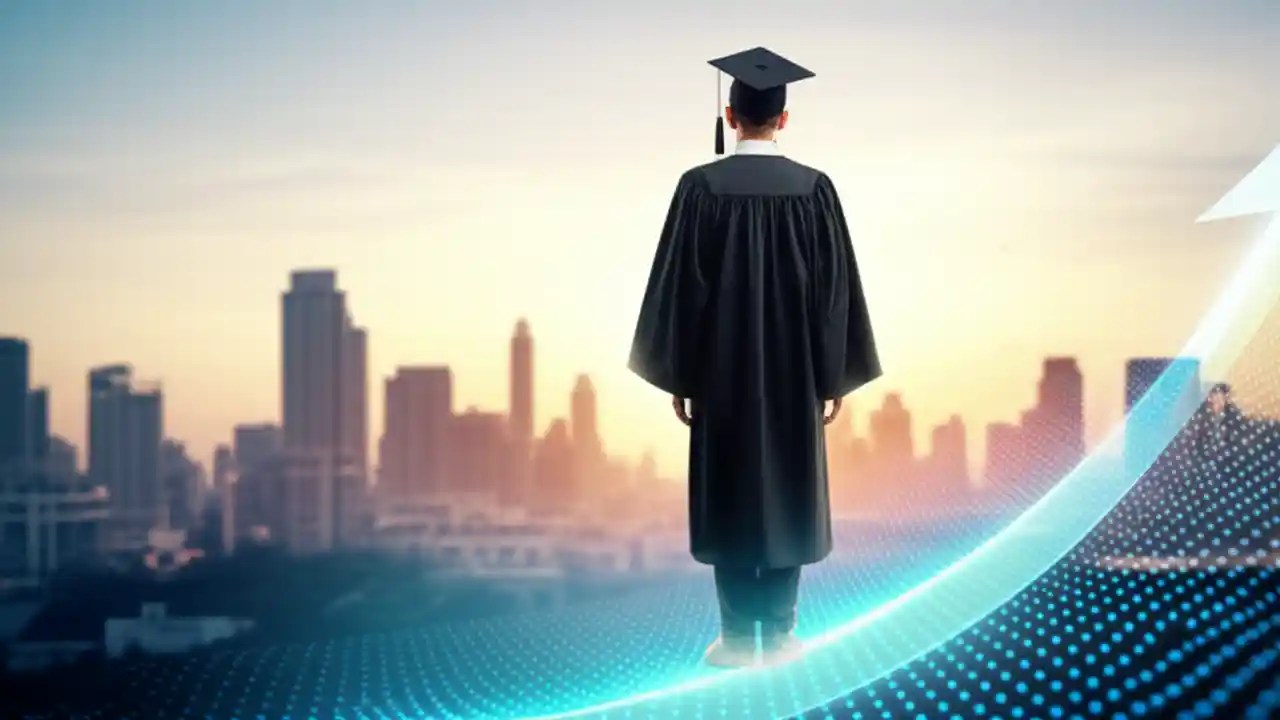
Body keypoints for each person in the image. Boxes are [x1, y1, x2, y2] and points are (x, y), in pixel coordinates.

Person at [627, 47, 882, 668]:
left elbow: (679, 288)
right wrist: (831, 373)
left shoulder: (700, 188)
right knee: (789, 486)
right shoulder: (814, 190)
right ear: (784, 119)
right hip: (797, 371)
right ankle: (786, 634)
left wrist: (681, 375)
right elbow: (833, 292)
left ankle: (739, 637)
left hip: (721, 373)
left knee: (731, 488)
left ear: (730, 115)